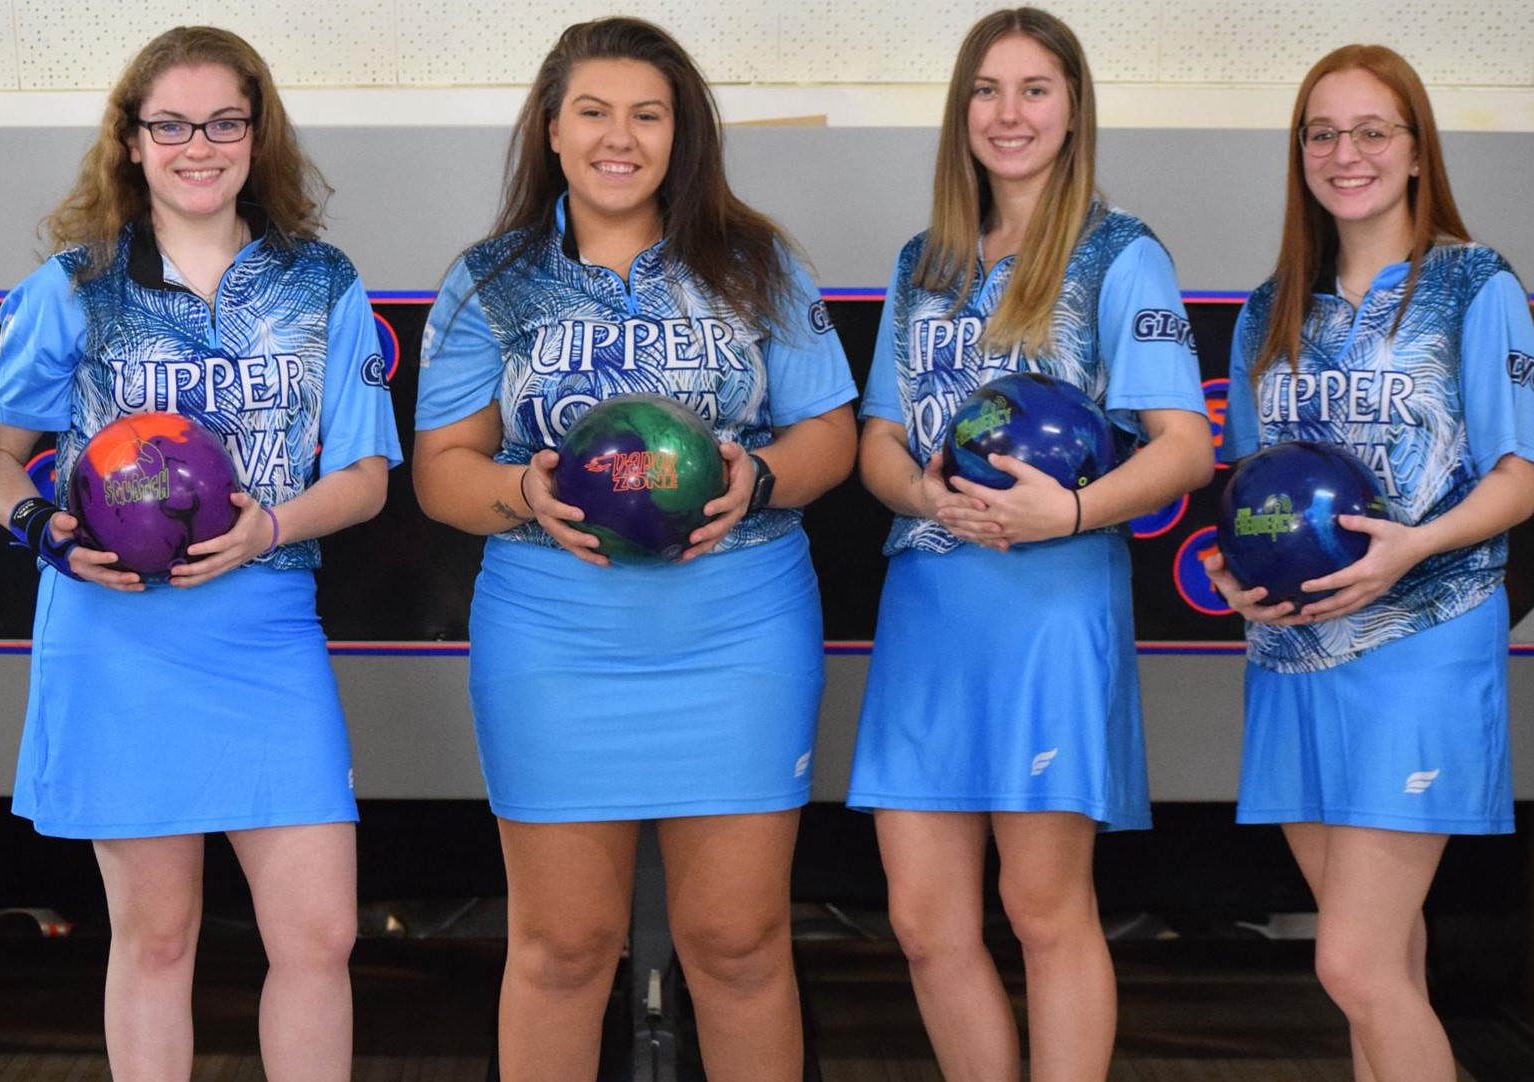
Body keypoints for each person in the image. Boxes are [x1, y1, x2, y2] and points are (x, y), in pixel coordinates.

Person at [411, 17, 858, 1080]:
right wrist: (523, 488)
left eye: (648, 114)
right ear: (554, 132)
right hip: (555, 634)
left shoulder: (756, 261)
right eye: (595, 112)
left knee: (739, 944)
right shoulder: (492, 279)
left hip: (737, 629)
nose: (622, 137)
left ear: (681, 134)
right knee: (563, 947)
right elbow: (440, 472)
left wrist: (762, 475)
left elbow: (830, 432)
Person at [0, 25, 398, 1082]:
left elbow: (365, 478)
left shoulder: (322, 283)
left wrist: (270, 526)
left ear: (258, 136)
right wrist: (42, 527)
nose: (197, 145)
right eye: (171, 124)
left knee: (320, 935)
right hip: (116, 636)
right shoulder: (73, 286)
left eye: (223, 122)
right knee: (155, 939)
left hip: (264, 633)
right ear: (131, 140)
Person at [846, 8, 1214, 1080]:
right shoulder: (926, 260)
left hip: (1050, 605)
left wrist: (1071, 512)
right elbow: (876, 438)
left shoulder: (1120, 254)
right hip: (928, 607)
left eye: (1036, 89)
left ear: (1073, 108)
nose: (1010, 114)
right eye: (987, 91)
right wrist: (918, 486)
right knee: (923, 918)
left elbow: (1184, 447)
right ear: (961, 112)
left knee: (1043, 907)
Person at [1205, 44, 1534, 1082]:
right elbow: (1252, 485)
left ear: (1416, 150)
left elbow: (1522, 472)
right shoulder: (1270, 308)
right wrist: (1237, 571)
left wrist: (1418, 545)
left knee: (1348, 957)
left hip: (1424, 636)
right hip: (1297, 653)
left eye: (1372, 130)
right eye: (1323, 132)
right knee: (1384, 957)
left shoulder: (1473, 285)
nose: (1347, 153)